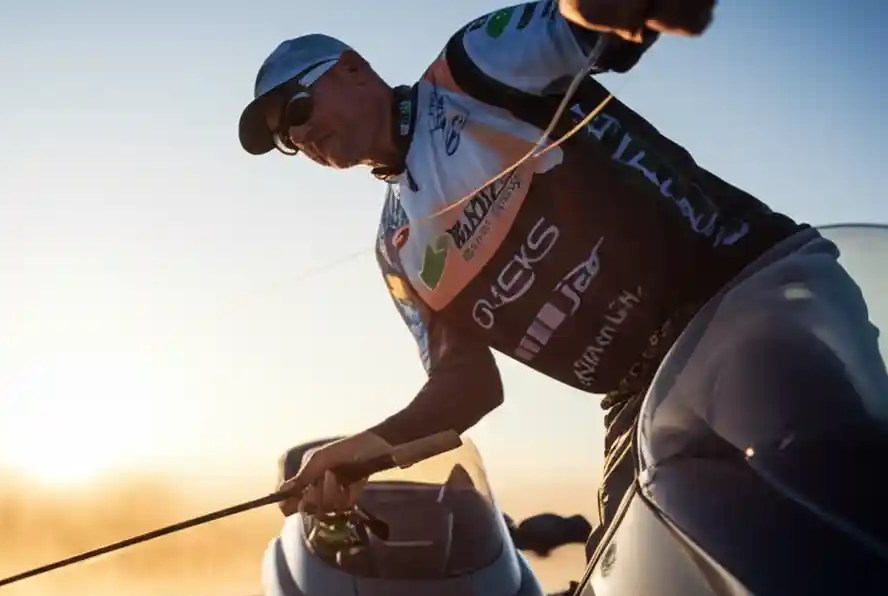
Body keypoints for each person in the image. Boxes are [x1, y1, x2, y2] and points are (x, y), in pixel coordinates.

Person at [238, 0, 888, 559]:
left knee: (828, 504)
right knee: (625, 593)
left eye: (295, 106)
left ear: (354, 68)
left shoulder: (471, 69)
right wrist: (358, 457)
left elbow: (575, 20)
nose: (296, 134)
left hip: (744, 294)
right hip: (645, 400)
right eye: (283, 139)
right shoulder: (397, 251)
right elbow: (466, 387)